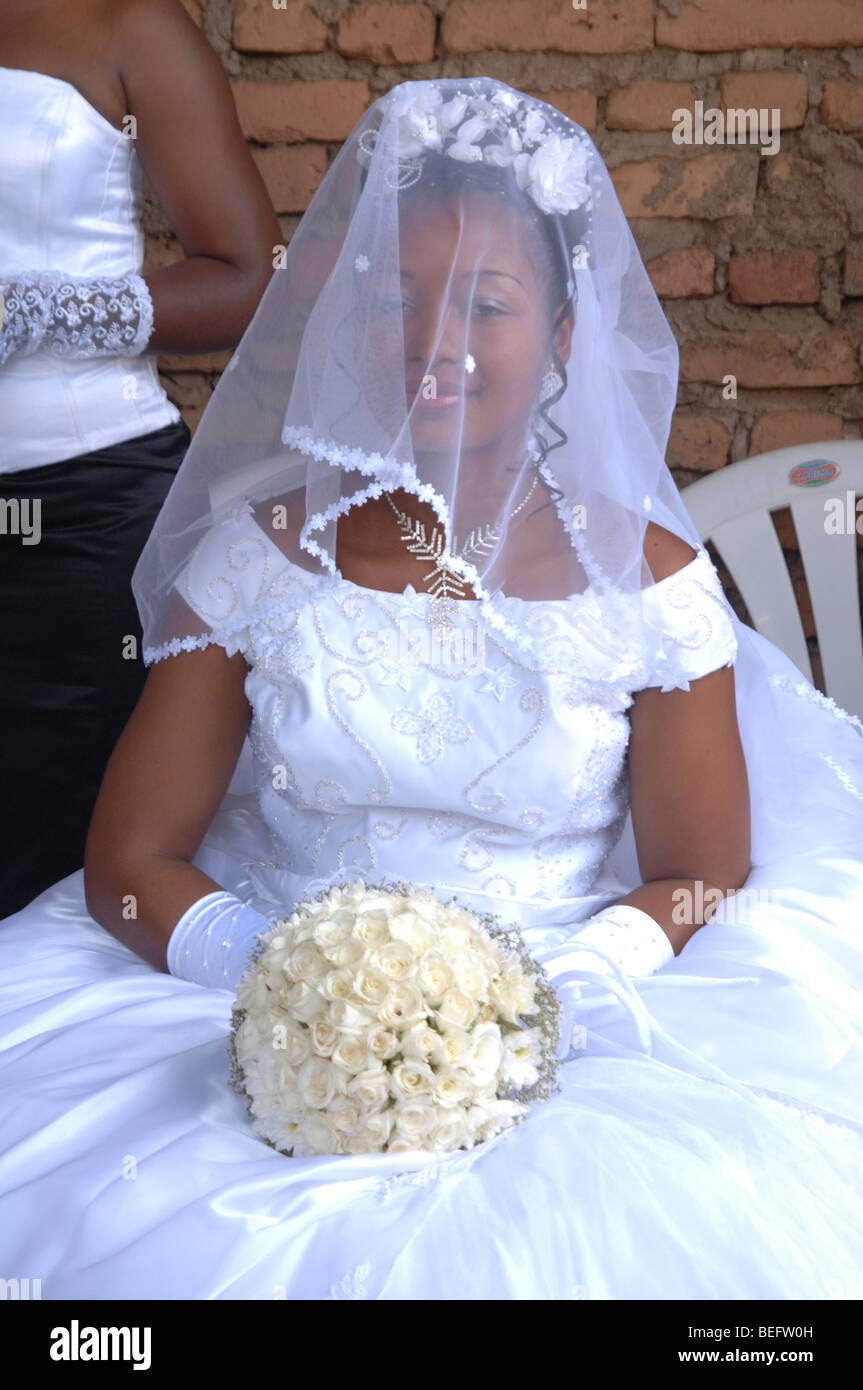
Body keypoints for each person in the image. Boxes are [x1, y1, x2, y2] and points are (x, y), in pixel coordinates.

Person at [1, 76, 862, 1301]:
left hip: (572, 1009)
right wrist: (284, 990)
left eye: (487, 302)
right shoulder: (254, 562)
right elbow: (129, 862)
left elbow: (699, 873)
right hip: (248, 996)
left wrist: (540, 1001)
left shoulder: (650, 584)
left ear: (565, 333)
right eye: (391, 300)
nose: (435, 341)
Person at [0, 0, 281, 915]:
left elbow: (244, 274)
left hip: (80, 509)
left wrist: (28, 314)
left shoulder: (125, 25)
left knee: (56, 861)